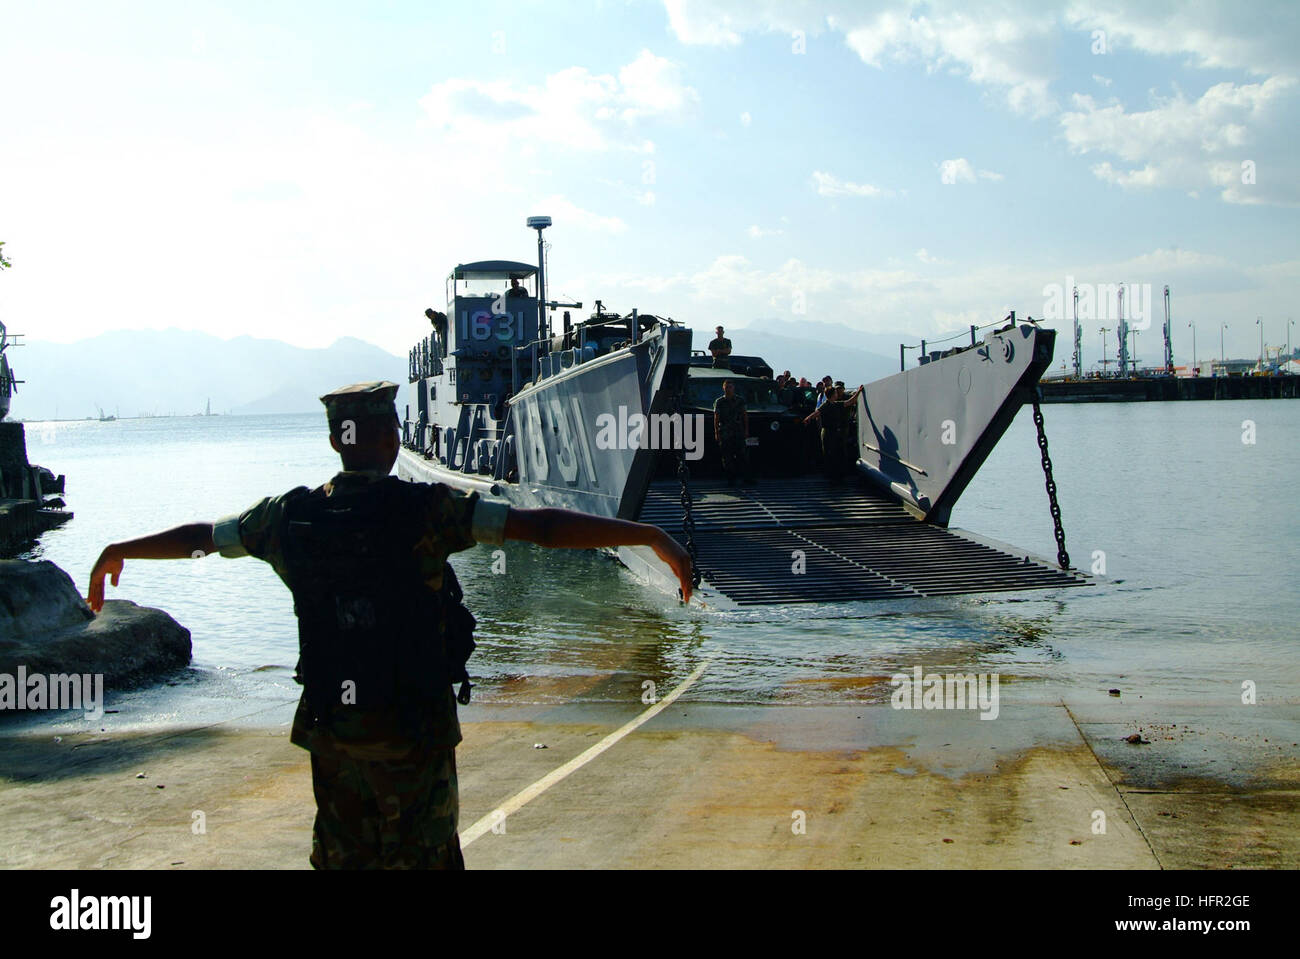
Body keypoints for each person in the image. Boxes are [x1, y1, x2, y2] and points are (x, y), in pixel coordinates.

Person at [86, 380, 693, 870]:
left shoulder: (285, 518)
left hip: (334, 731)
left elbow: (204, 539)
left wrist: (122, 548)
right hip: (414, 732)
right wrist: (646, 534)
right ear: (393, 435)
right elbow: (540, 527)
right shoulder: (427, 511)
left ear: (334, 442)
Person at [804, 382, 864, 482]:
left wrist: (858, 392)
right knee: (828, 454)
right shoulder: (826, 405)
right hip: (827, 432)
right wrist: (808, 418)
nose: (837, 394)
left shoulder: (836, 404)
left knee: (837, 453)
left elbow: (850, 402)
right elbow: (817, 413)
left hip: (835, 432)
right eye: (835, 393)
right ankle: (830, 475)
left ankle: (837, 475)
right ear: (832, 395)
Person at [712, 379, 754, 485]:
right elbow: (716, 418)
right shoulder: (719, 402)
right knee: (727, 457)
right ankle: (731, 479)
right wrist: (716, 432)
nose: (729, 389)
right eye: (727, 387)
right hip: (725, 432)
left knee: (743, 456)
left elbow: (745, 415)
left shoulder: (740, 400)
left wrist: (746, 430)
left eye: (730, 387)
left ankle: (747, 478)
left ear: (733, 388)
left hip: (738, 431)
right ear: (723, 388)